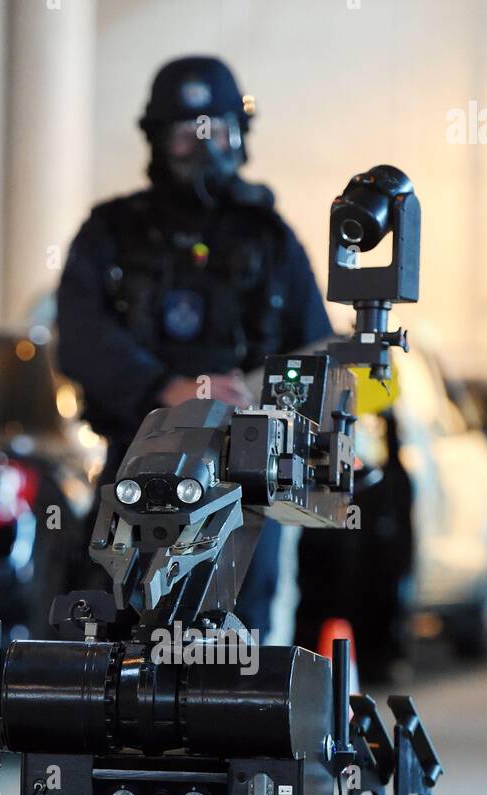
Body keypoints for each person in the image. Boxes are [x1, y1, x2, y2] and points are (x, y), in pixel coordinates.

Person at [56, 55, 331, 635]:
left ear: (241, 134)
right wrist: (166, 389)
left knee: (240, 643)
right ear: (157, 139)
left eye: (218, 130)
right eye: (187, 133)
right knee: (118, 631)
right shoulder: (110, 232)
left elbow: (315, 351)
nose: (205, 148)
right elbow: (79, 339)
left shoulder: (271, 238)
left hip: (245, 480)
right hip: (134, 470)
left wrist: (260, 400)